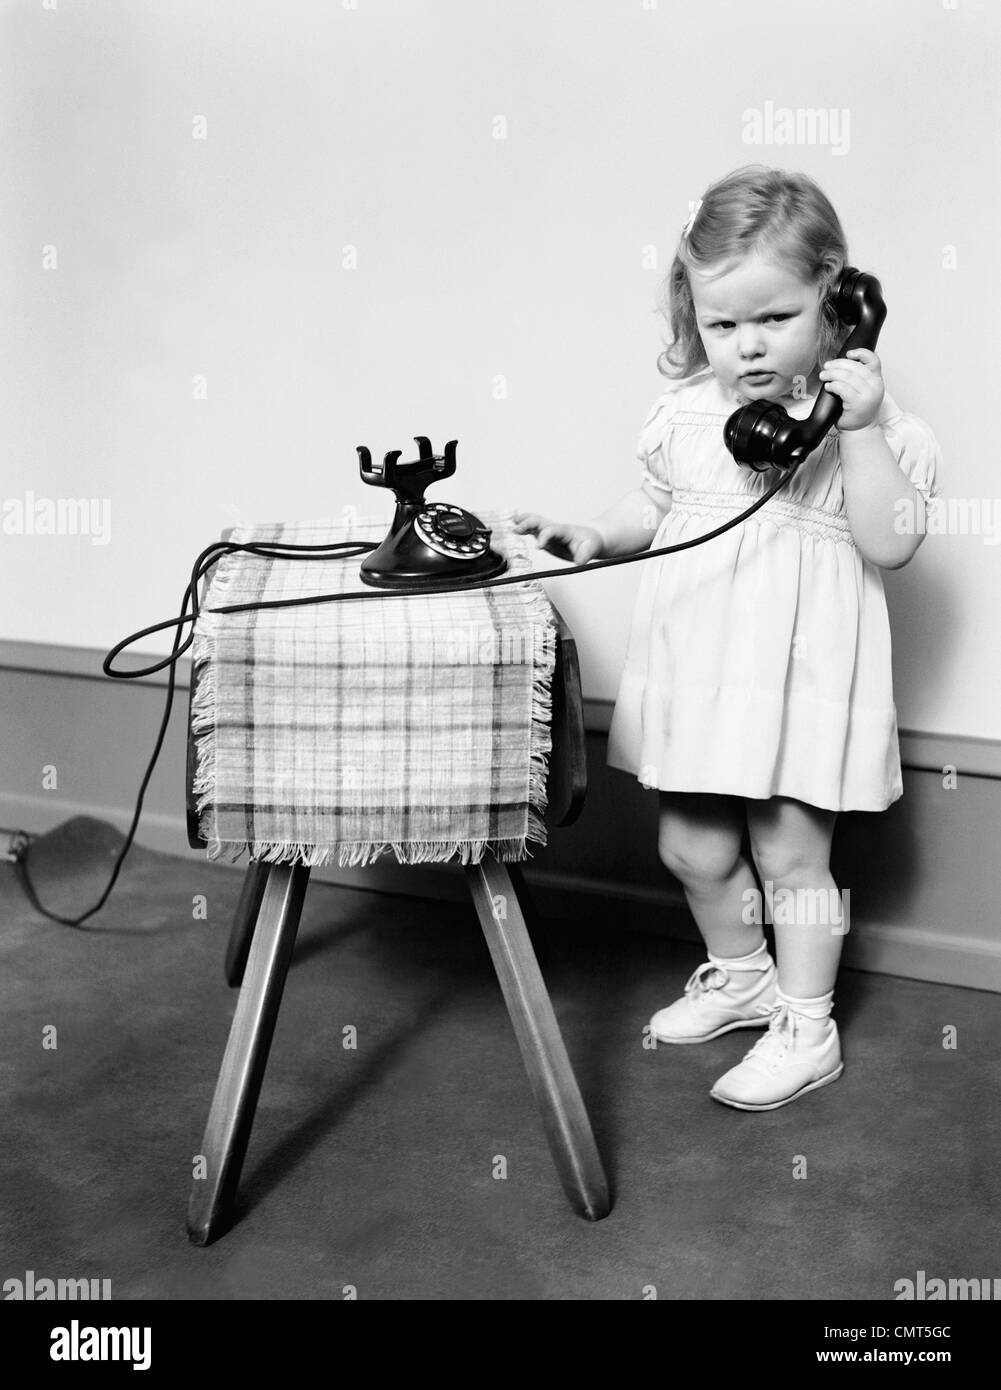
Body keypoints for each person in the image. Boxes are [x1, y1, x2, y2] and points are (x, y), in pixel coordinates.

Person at [512, 165, 942, 1110]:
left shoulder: (879, 435)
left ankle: (806, 1022)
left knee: (792, 863)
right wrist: (597, 532)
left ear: (840, 302)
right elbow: (656, 503)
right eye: (721, 325)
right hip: (700, 679)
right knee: (692, 853)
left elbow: (892, 543)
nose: (745, 347)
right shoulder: (691, 418)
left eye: (774, 319)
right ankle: (741, 974)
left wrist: (857, 432)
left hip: (796, 688)